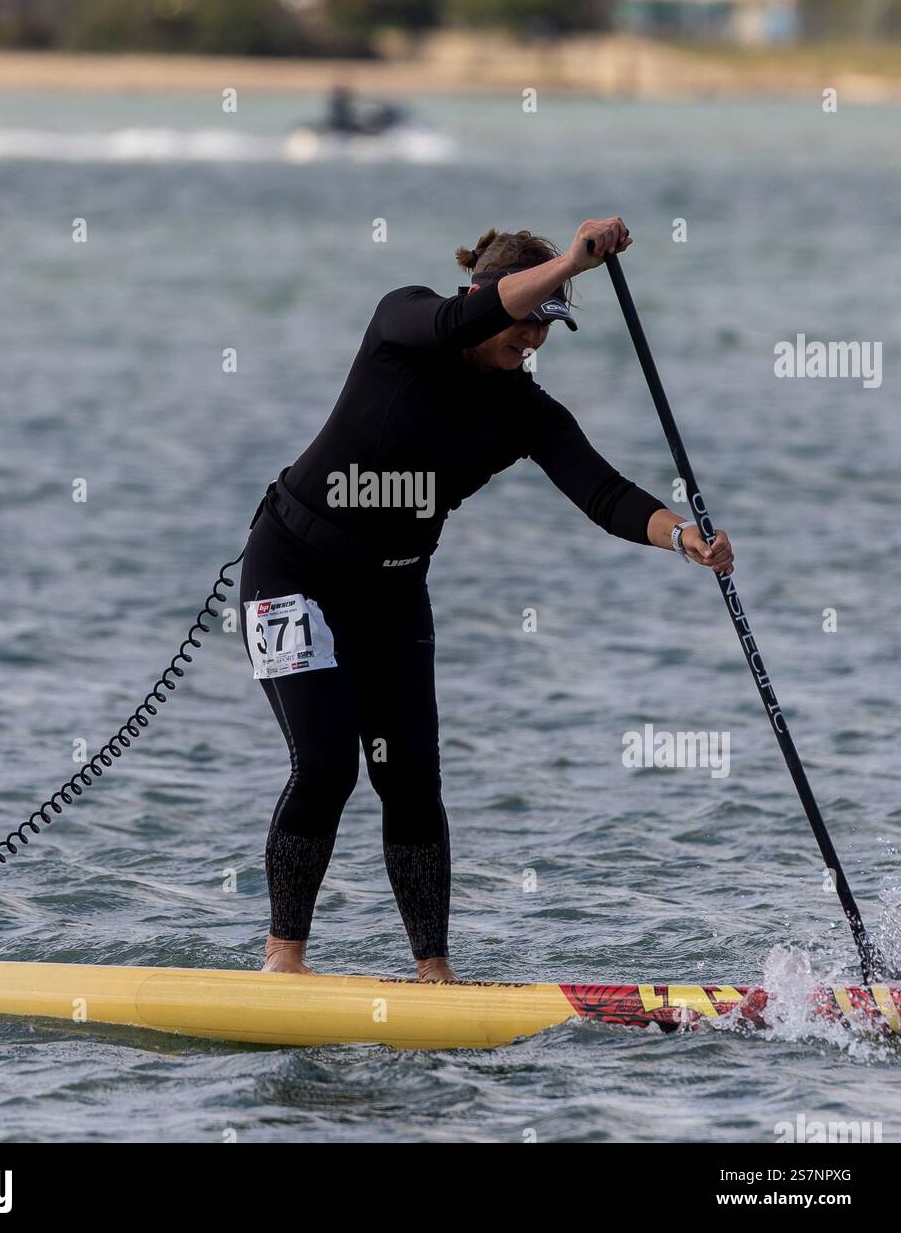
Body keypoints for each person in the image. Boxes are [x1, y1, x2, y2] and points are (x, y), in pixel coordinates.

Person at [239, 218, 734, 980]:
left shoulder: (519, 409)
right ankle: (283, 964)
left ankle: (434, 976)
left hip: (393, 592)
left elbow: (601, 491)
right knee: (328, 765)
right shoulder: (402, 324)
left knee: (410, 776)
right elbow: (459, 319)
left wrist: (682, 539)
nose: (534, 340)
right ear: (486, 295)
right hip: (293, 571)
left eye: (549, 327)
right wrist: (573, 261)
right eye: (527, 320)